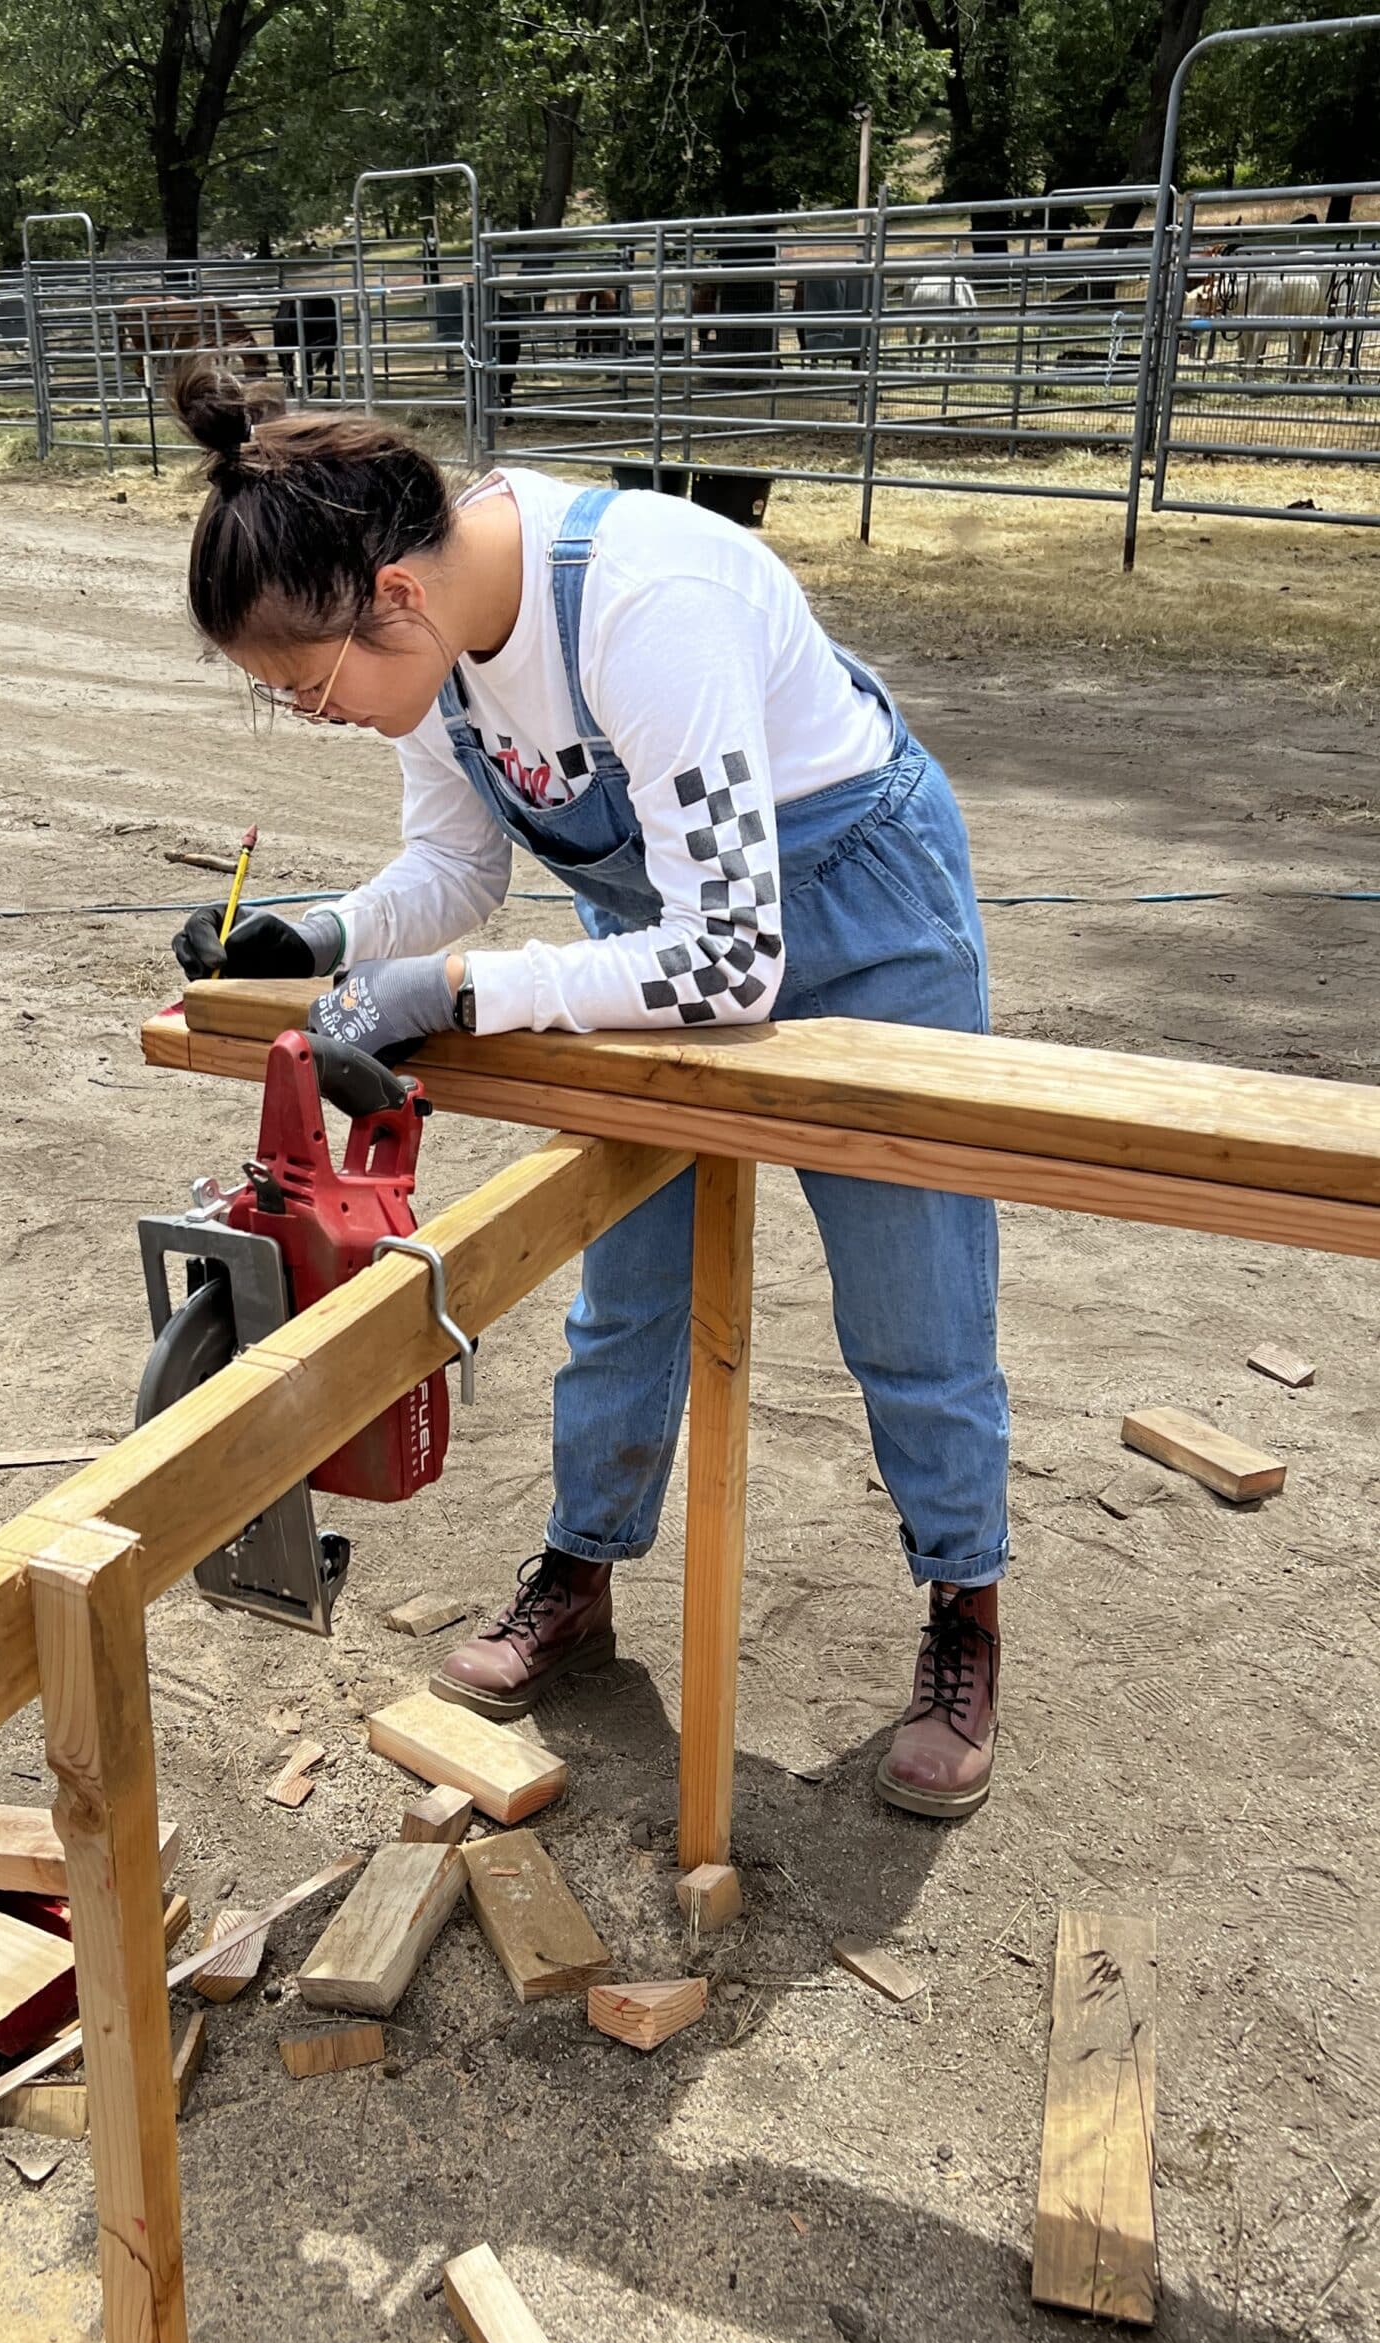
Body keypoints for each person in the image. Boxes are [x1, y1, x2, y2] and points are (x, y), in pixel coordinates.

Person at [167, 356, 1009, 1821]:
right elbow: (456, 872)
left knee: (911, 1293)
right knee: (624, 1275)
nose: (316, 716)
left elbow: (733, 962)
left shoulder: (645, 605)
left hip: (853, 916)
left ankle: (963, 1606)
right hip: (664, 937)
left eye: (311, 691)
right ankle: (583, 1568)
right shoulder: (428, 646)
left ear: (397, 602)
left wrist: (458, 993)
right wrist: (319, 932)